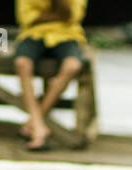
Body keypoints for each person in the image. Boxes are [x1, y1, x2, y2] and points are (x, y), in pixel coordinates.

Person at [14, 0, 87, 151]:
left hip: (68, 34)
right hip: (33, 34)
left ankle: (34, 122)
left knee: (72, 65)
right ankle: (38, 125)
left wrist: (51, 13)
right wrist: (56, 16)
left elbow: (72, 15)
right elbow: (26, 18)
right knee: (22, 63)